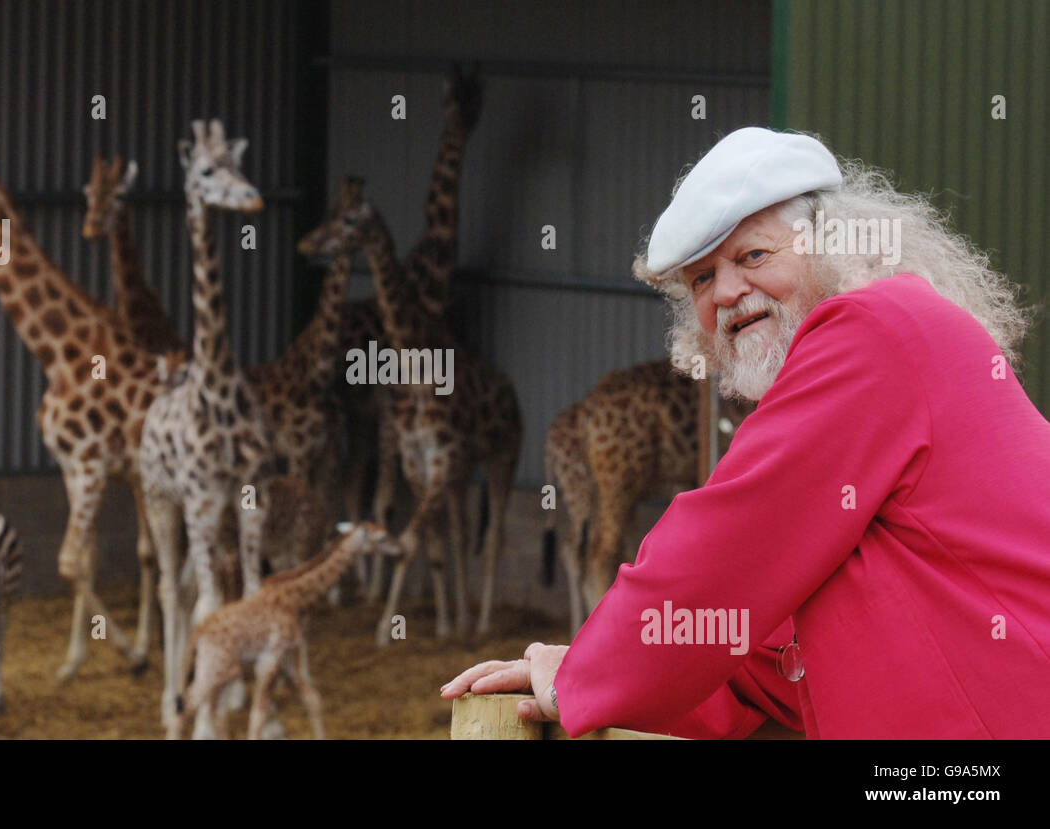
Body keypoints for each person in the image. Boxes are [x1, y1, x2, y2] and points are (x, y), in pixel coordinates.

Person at [441, 127, 1050, 739]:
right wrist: (585, 677)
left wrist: (580, 681)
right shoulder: (898, 336)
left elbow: (721, 552)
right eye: (701, 279)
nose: (727, 292)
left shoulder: (870, 331)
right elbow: (767, 647)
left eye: (753, 256)